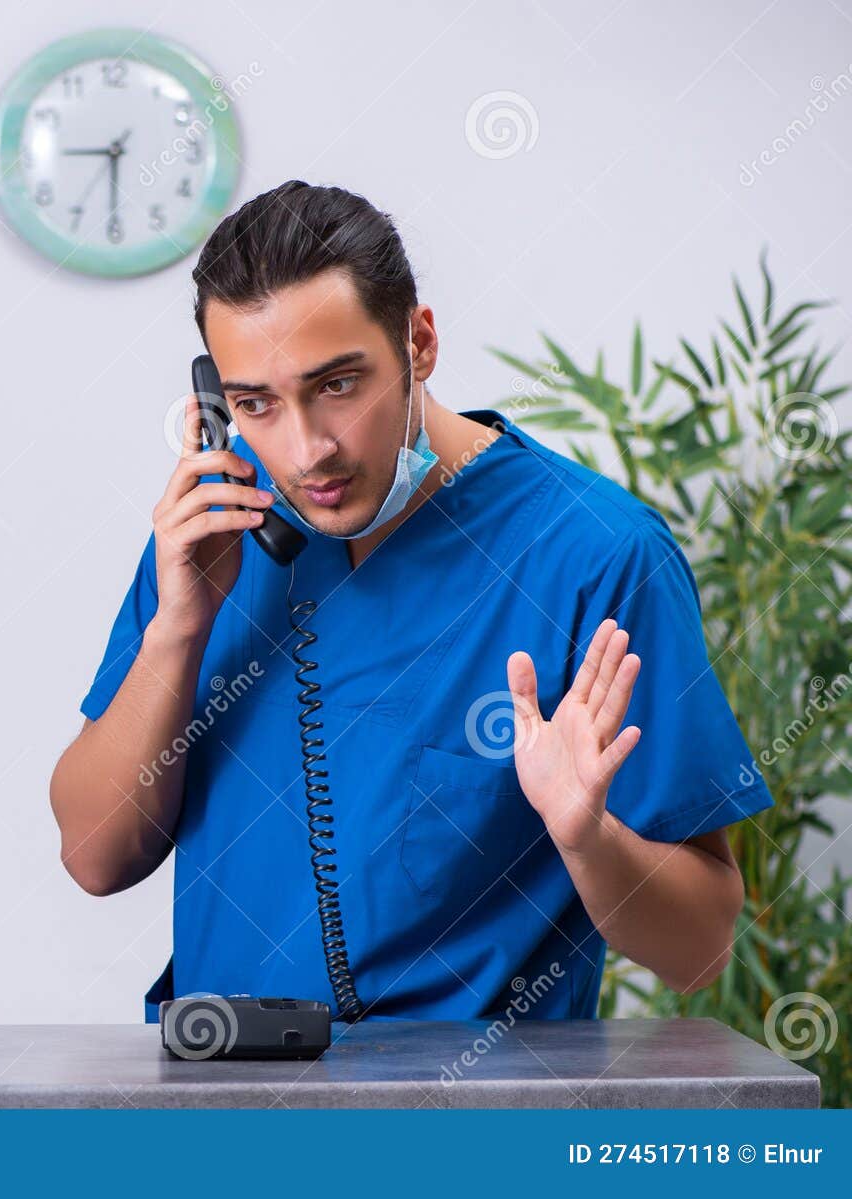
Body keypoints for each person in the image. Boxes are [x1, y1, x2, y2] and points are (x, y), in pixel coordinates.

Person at [50, 181, 771, 1023]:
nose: (306, 448)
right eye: (256, 405)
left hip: (468, 1126)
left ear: (418, 342)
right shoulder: (215, 535)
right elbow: (95, 857)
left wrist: (589, 839)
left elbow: (701, 950)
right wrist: (179, 627)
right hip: (220, 1099)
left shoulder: (598, 556)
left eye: (339, 385)